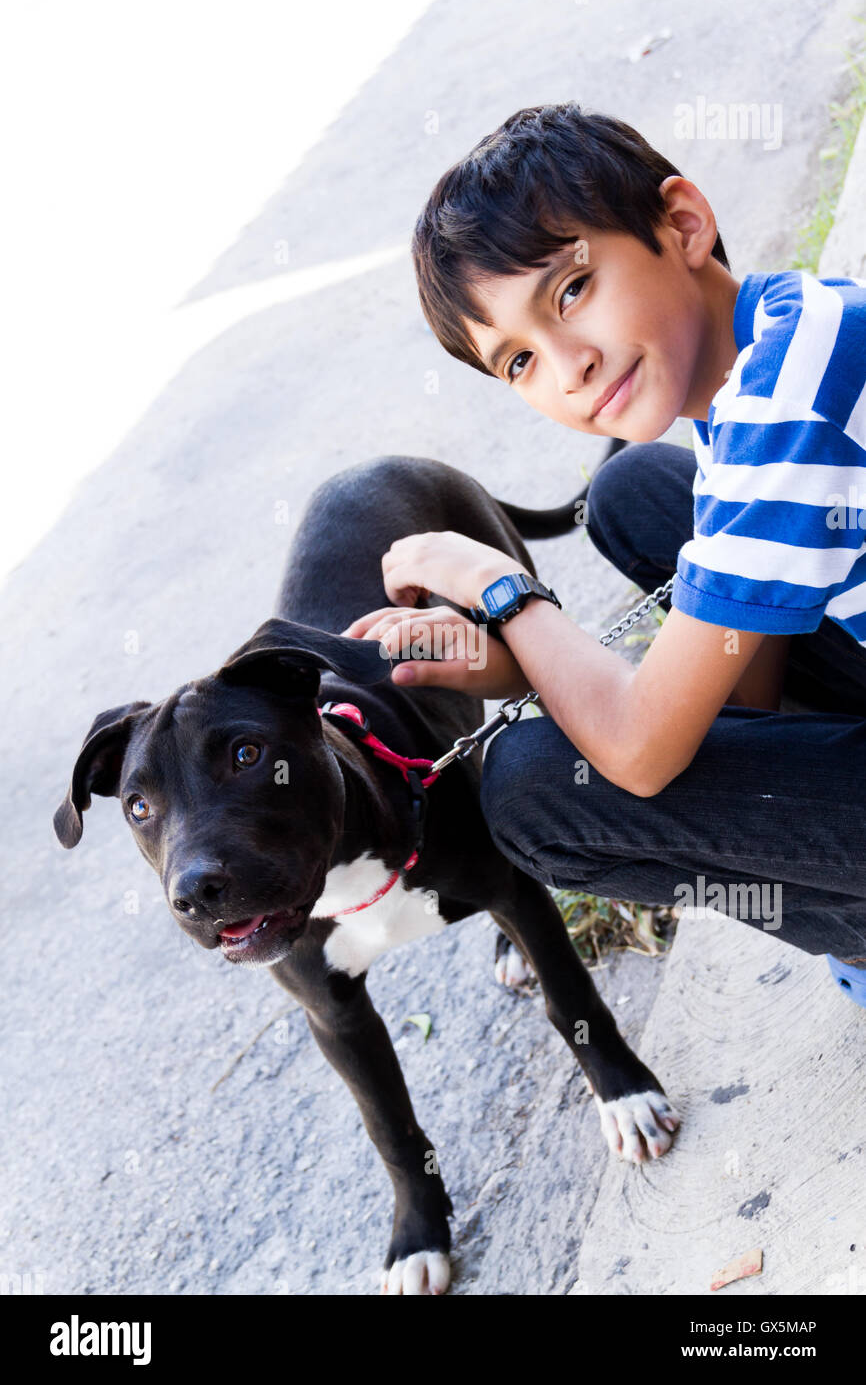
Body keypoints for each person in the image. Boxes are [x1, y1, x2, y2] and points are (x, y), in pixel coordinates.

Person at [343, 102, 866, 1003]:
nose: (568, 366)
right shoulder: (780, 335)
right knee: (635, 495)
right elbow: (748, 700)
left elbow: (642, 750)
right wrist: (523, 670)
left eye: (571, 291)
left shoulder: (790, 411)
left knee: (534, 791)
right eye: (518, 362)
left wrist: (502, 590)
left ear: (683, 224)